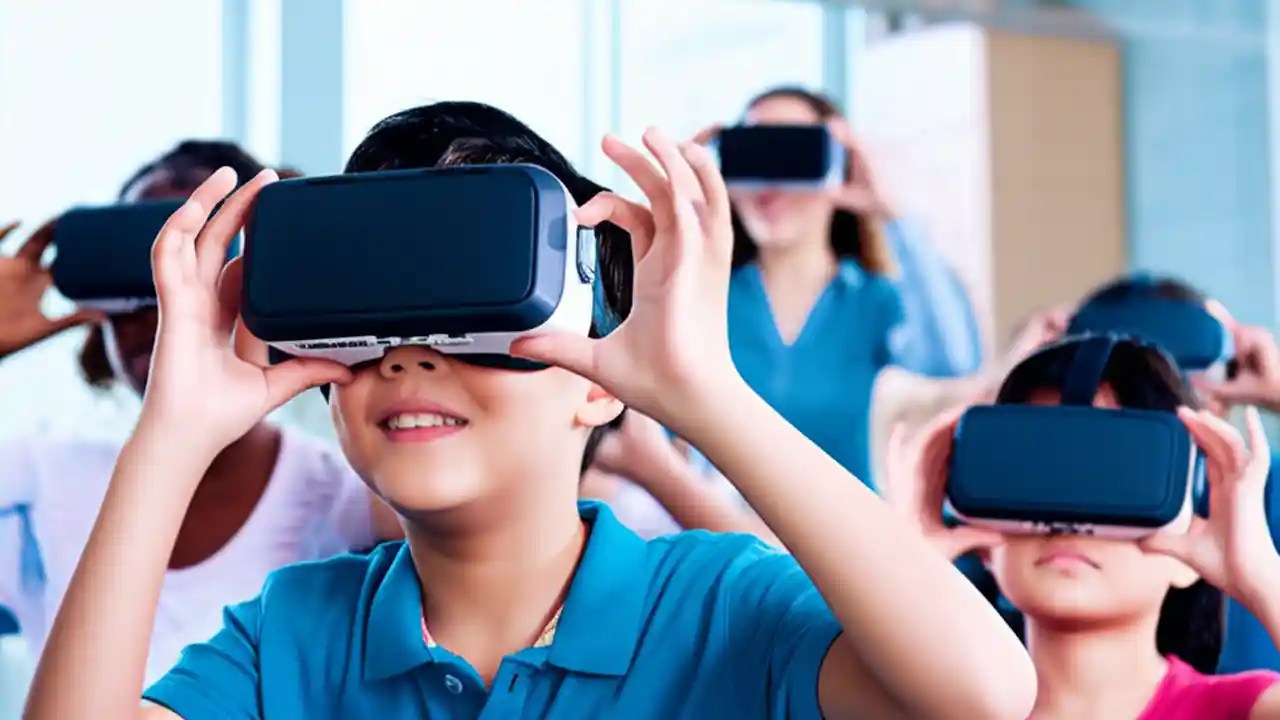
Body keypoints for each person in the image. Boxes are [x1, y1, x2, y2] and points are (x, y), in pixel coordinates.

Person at [25, 102, 1036, 720]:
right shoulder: (290, 635)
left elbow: (981, 696)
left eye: (476, 313)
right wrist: (172, 436)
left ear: (601, 377)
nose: (411, 354)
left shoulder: (720, 606)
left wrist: (705, 394)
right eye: (370, 328)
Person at [0, 141, 396, 687]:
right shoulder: (37, 482)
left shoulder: (347, 500)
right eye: (136, 274)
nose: (161, 308)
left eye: (198, 266)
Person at [886, 336, 1280, 718]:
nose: (1072, 522)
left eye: (1116, 481)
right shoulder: (926, 710)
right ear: (987, 545)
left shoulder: (1241, 710)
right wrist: (896, 572)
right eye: (1038, 478)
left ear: (1189, 556)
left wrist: (1261, 575)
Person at [693, 87, 995, 487]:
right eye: (754, 151)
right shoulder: (703, 298)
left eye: (792, 154)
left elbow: (953, 360)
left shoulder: (870, 302)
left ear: (836, 164)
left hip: (840, 545)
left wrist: (891, 210)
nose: (769, 183)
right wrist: (671, 206)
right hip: (722, 541)